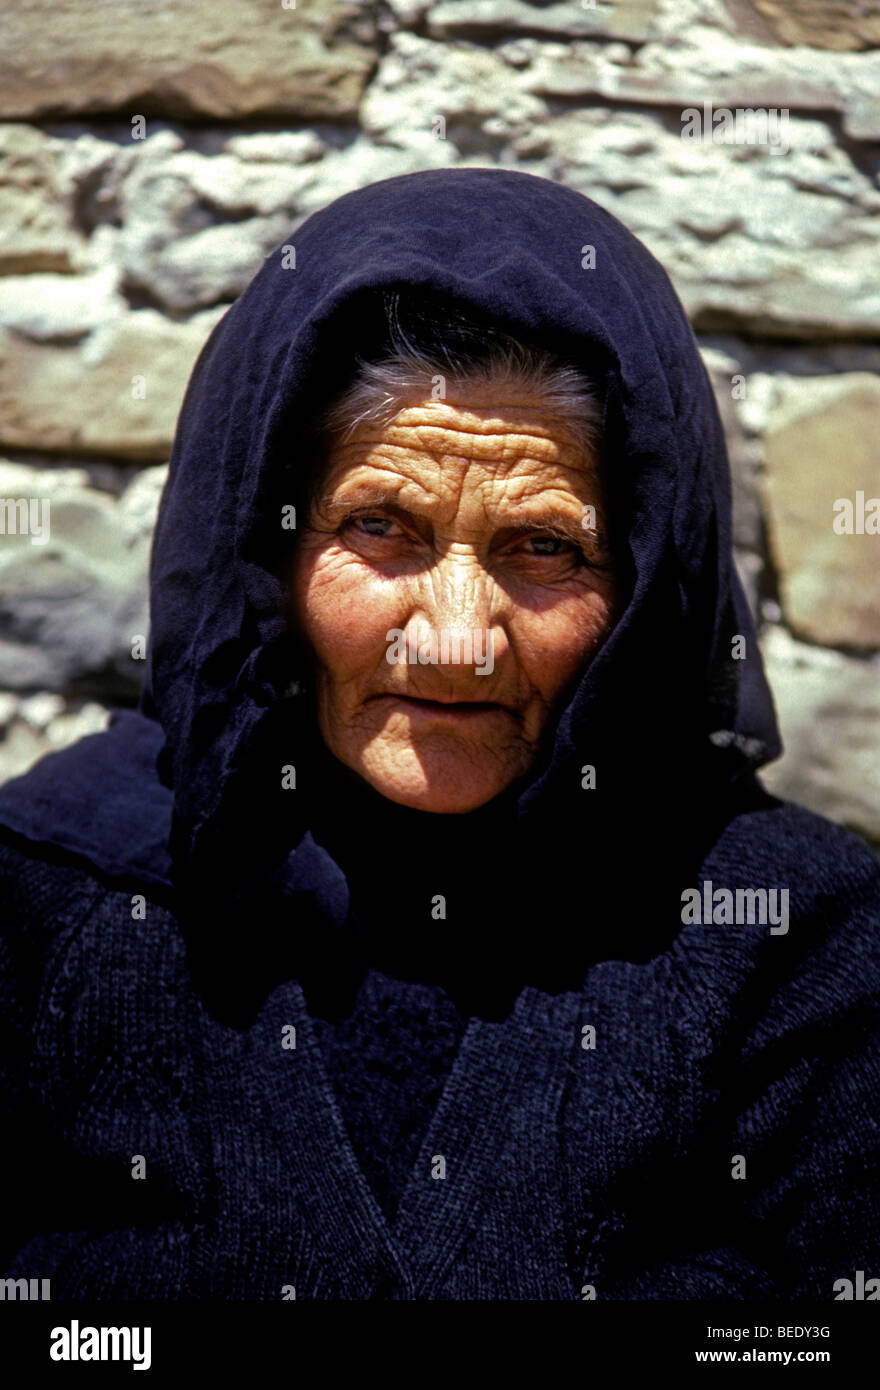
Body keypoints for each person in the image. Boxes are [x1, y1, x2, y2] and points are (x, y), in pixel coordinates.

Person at [0, 167, 877, 1301]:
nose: (460, 639)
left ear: (645, 578)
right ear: (265, 552)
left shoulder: (791, 936)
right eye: (381, 528)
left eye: (545, 548)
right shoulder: (50, 896)